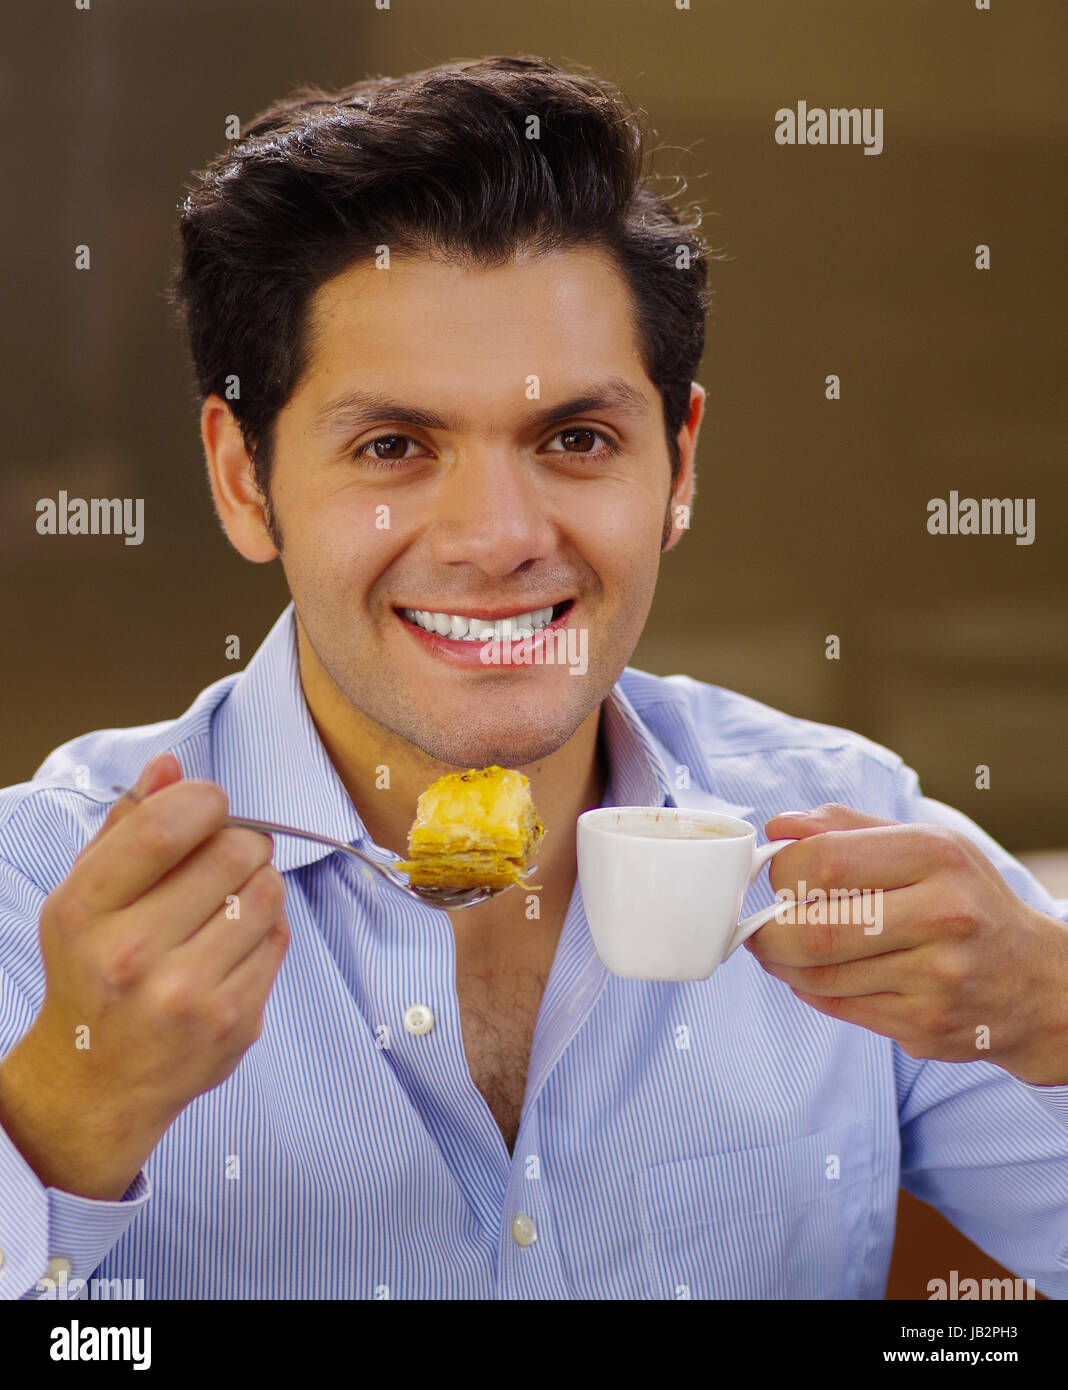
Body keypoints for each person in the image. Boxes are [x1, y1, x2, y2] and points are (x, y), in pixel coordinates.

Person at [1, 54, 1065, 1301]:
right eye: (393, 446)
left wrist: (1052, 1015)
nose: (498, 537)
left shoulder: (859, 831)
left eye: (575, 439)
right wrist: (62, 1124)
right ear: (244, 480)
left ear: (678, 468)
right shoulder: (35, 907)